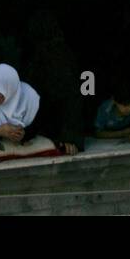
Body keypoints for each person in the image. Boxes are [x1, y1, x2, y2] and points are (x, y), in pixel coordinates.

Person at [21, 10, 84, 157]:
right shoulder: (39, 55)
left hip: (57, 131)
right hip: (45, 131)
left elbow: (72, 96)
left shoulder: (58, 55)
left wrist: (70, 138)